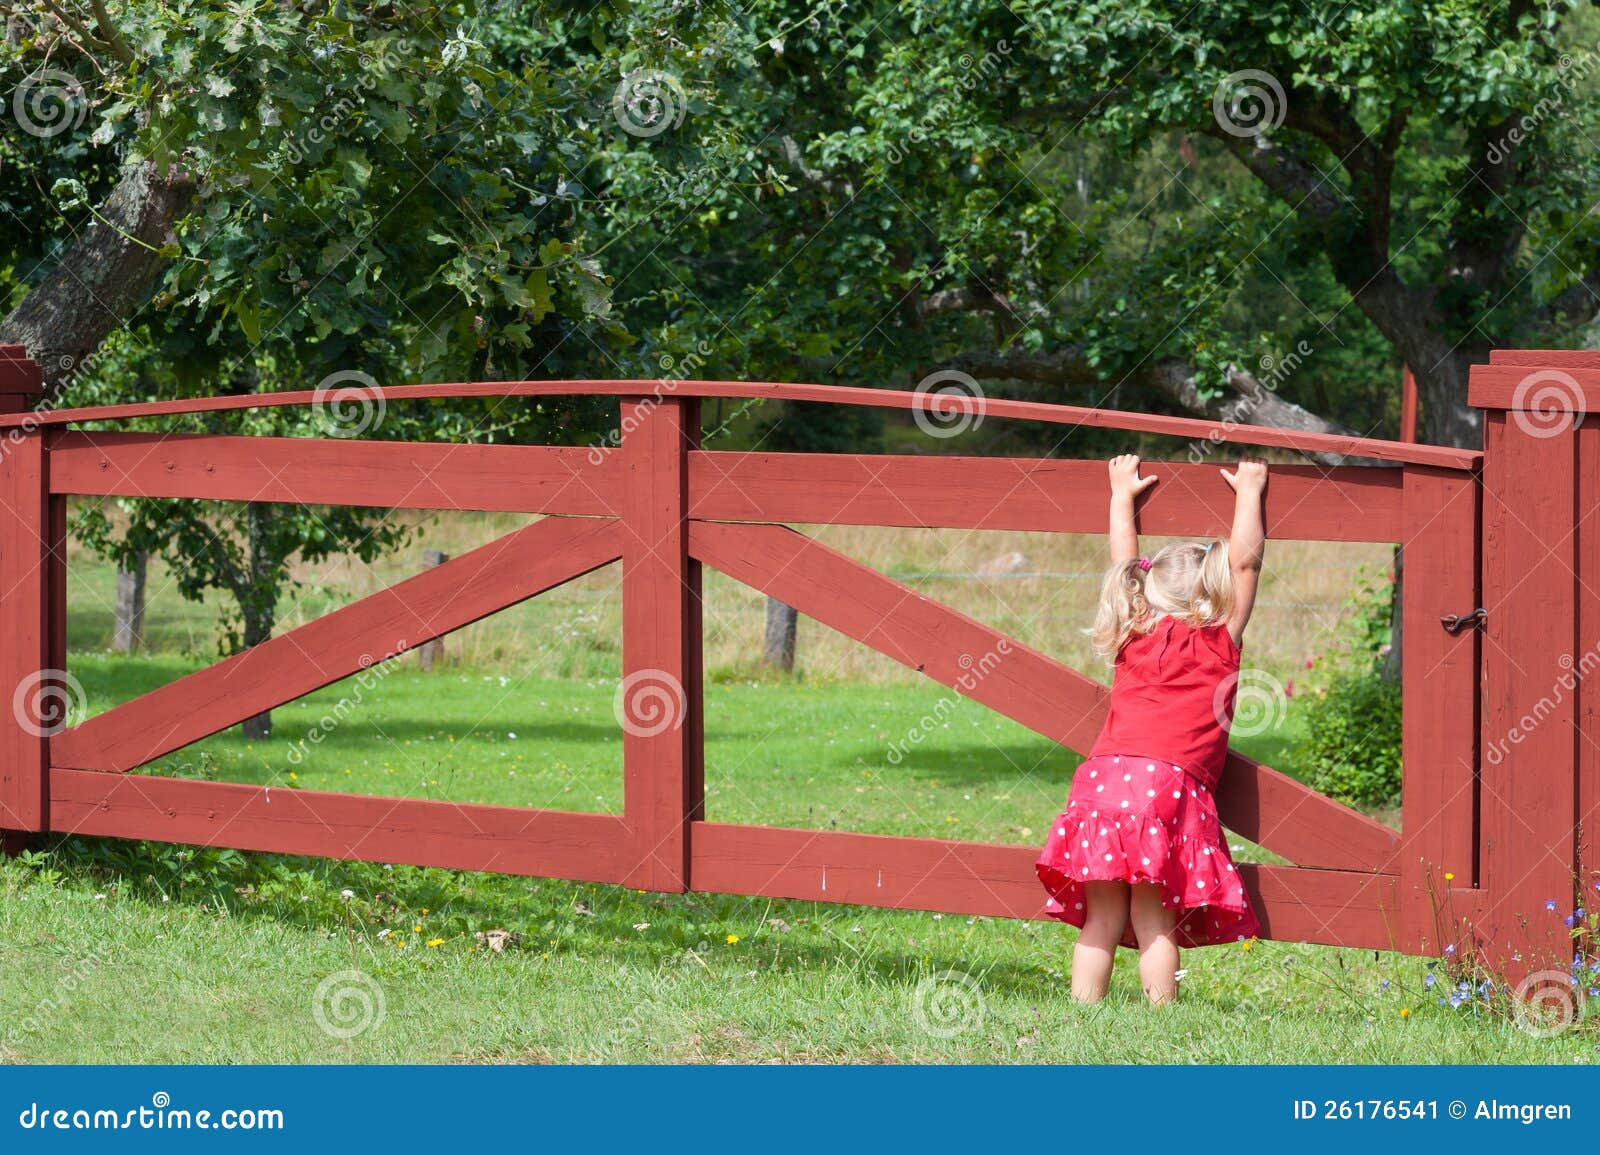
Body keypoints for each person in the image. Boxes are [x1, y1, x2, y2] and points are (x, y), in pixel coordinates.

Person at [1035, 453, 1268, 1005]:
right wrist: (1250, 491)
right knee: (1153, 920)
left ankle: (1083, 1012)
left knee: (1102, 917)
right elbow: (1247, 567)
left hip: (1100, 783)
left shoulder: (1131, 634)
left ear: (1145, 590)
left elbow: (1122, 563)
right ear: (1212, 594)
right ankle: (1161, 1015)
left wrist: (1121, 498)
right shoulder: (1219, 642)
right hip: (1162, 789)